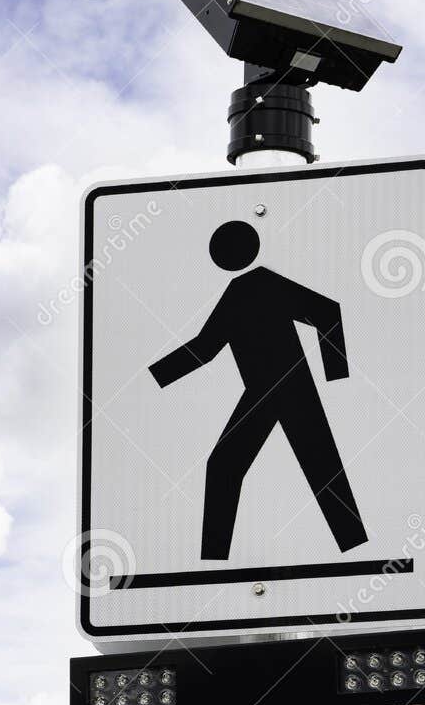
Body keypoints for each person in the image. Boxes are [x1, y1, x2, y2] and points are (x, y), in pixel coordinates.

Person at [150, 219, 369, 560]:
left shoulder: (263, 282)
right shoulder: (237, 292)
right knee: (227, 466)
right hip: (262, 392)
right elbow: (206, 348)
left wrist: (336, 375)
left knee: (320, 466)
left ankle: (356, 548)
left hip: (292, 387)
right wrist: (153, 377)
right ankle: (213, 562)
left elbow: (327, 311)